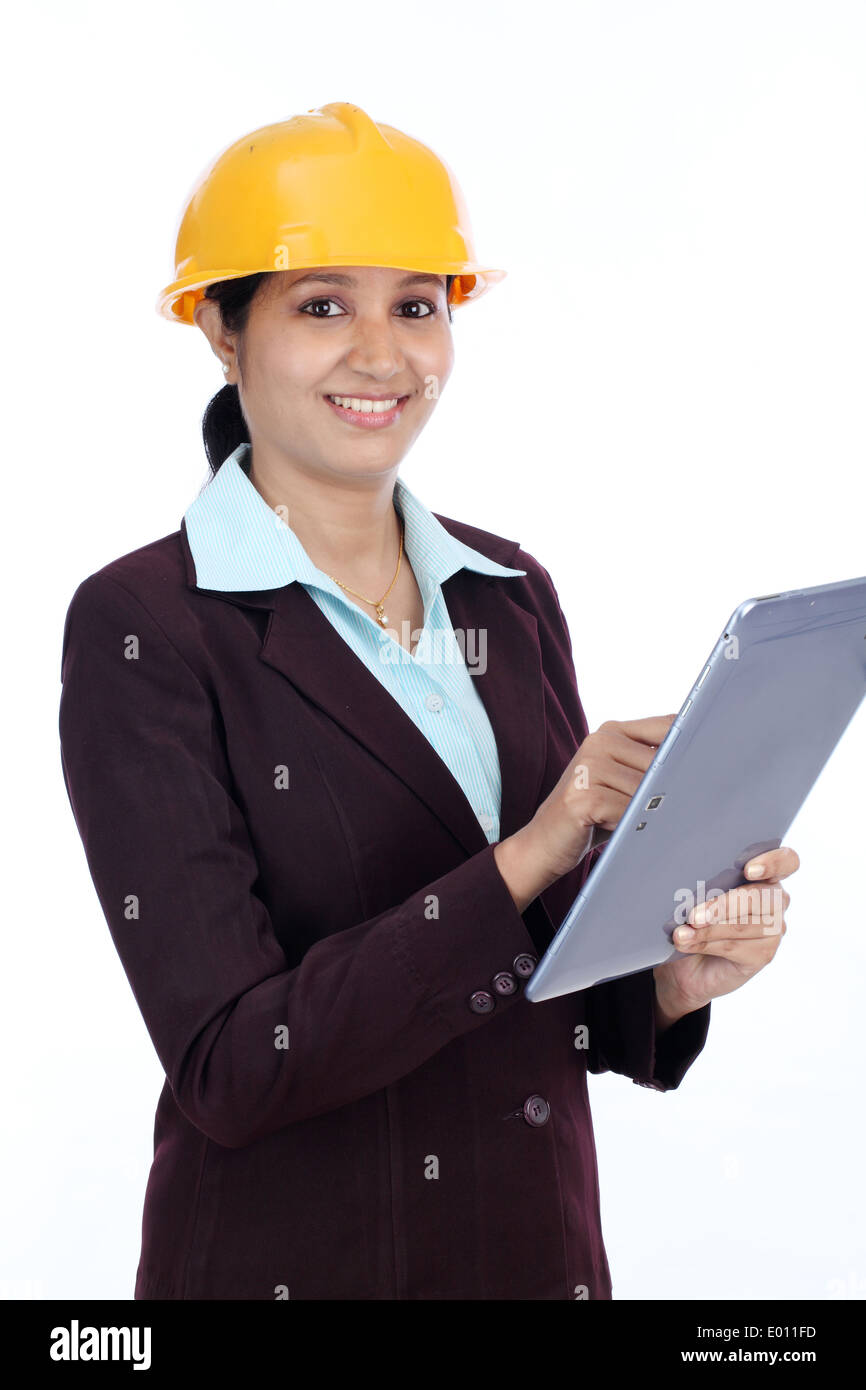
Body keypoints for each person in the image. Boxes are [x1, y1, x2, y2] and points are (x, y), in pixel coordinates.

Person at [58, 101, 798, 1300]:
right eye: (320, 305)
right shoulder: (147, 625)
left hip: (534, 1257)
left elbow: (535, 984)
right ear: (218, 328)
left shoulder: (503, 590)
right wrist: (530, 851)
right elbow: (233, 1068)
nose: (383, 354)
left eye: (416, 305)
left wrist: (666, 982)